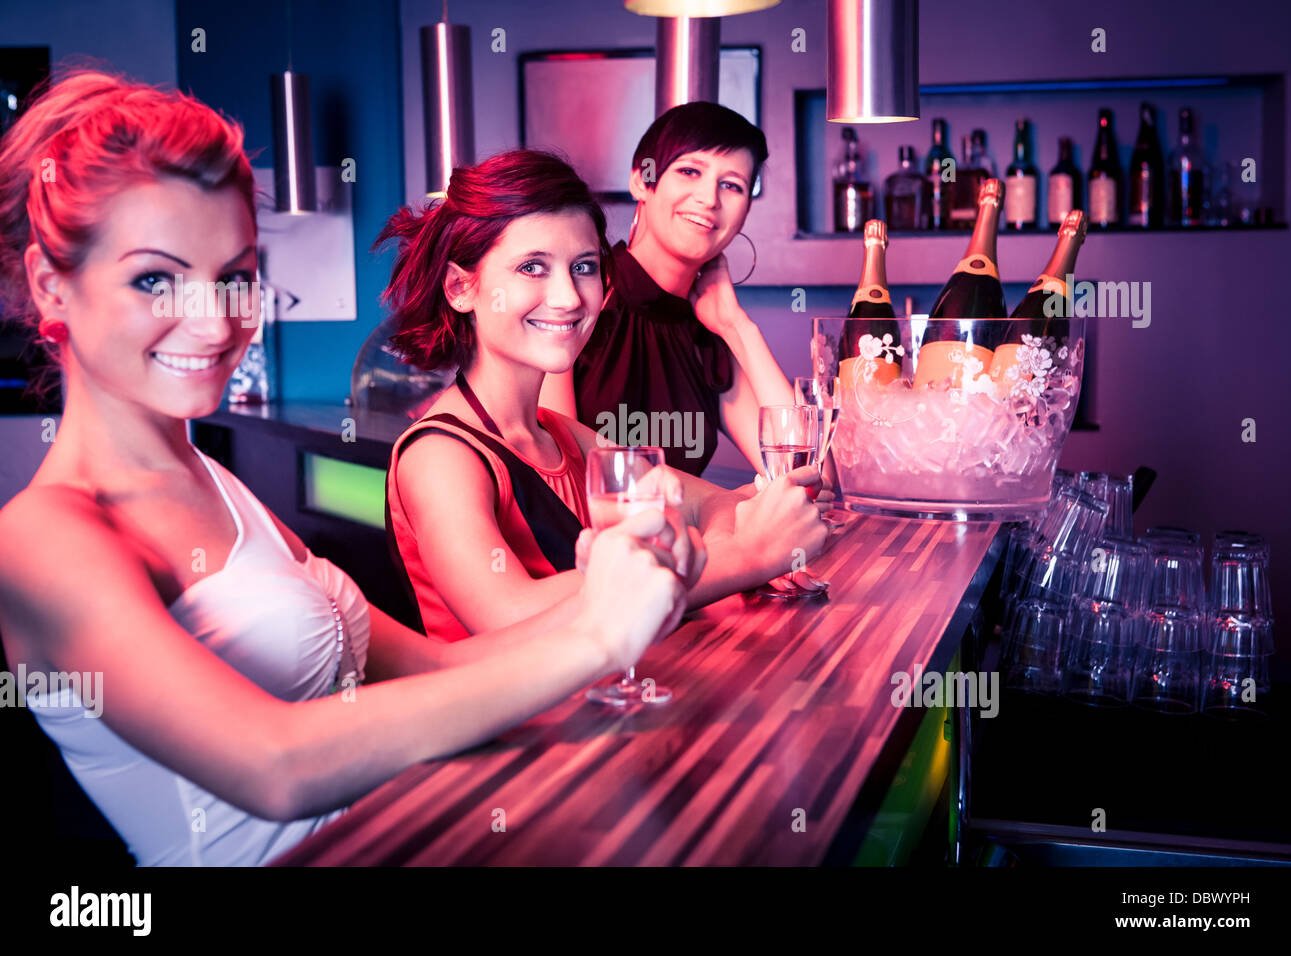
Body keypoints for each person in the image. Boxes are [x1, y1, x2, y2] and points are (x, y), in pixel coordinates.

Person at [0, 71, 701, 867]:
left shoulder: (215, 484)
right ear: (51, 283)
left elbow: (435, 667)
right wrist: (600, 641)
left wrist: (620, 585)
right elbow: (276, 763)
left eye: (233, 277)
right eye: (154, 278)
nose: (212, 319)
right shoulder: (42, 538)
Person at [381, 149, 828, 642]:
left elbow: (716, 505)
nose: (569, 297)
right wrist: (748, 557)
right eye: (532, 267)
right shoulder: (440, 454)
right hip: (513, 721)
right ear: (461, 287)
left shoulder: (560, 434)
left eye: (584, 267)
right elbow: (508, 617)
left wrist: (729, 542)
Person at [541, 102, 795, 477]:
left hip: (684, 536)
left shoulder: (708, 335)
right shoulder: (574, 298)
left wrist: (738, 327)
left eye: (731, 185)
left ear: (744, 212)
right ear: (641, 181)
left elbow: (798, 472)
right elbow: (560, 480)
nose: (710, 199)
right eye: (690, 171)